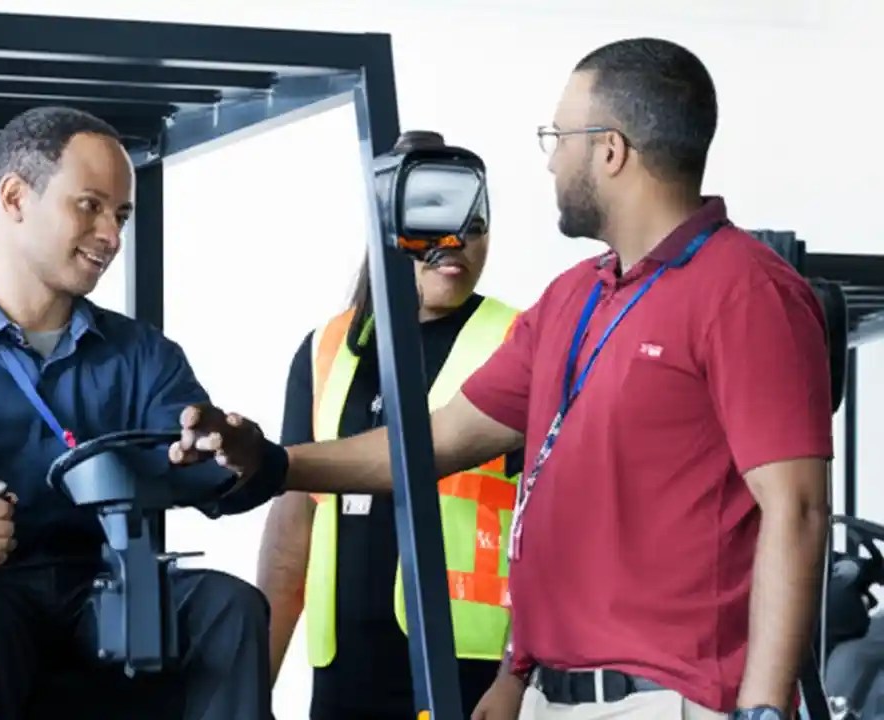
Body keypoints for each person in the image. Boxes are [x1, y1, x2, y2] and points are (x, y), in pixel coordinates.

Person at [174, 38, 833, 720]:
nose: (550, 160)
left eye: (559, 137)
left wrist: (760, 709)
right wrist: (275, 463)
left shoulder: (748, 291)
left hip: (669, 701)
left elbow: (799, 508)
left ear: (610, 150)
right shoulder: (573, 299)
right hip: (548, 693)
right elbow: (437, 441)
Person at [0, 106, 280, 719]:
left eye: (121, 215)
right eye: (90, 205)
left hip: (95, 590)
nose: (112, 235)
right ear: (16, 196)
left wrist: (238, 457)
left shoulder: (142, 355)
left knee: (229, 607)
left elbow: (209, 472)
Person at [258, 131, 522, 719]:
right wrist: (251, 688)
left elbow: (556, 530)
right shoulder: (328, 348)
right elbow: (291, 528)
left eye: (474, 222)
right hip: (343, 673)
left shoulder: (519, 344)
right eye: (430, 216)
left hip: (465, 673)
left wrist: (514, 678)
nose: (457, 241)